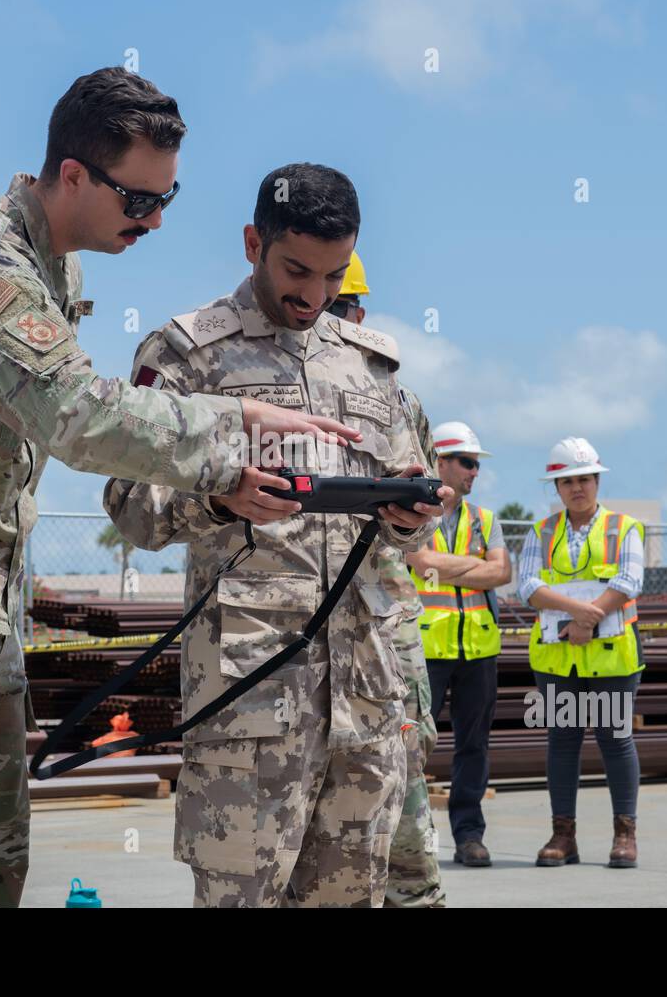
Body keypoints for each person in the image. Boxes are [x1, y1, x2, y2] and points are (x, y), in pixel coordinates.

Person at [0, 70, 358, 909]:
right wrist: (231, 428)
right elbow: (70, 410)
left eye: (166, 196)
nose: (155, 220)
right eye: (138, 200)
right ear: (73, 175)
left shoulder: (52, 269)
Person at [103, 164, 448, 907]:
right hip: (250, 699)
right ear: (253, 242)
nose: (314, 296)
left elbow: (406, 521)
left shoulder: (371, 364)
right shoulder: (187, 354)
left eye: (331, 276)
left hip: (364, 699)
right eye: (296, 269)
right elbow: (130, 502)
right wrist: (221, 498)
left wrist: (408, 515)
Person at [328, 256, 447, 907]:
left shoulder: (399, 404)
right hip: (299, 625)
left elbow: (420, 522)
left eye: (339, 309)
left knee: (402, 792)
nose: (329, 321)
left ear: (360, 317)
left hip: (385, 618)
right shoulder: (268, 396)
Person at [518, 438, 644, 869]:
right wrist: (578, 614)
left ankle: (625, 836)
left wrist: (587, 621)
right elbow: (528, 587)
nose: (577, 488)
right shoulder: (541, 532)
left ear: (597, 481)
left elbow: (629, 581)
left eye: (585, 479)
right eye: (568, 481)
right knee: (563, 742)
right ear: (557, 487)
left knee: (615, 740)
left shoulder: (623, 527)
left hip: (610, 657)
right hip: (558, 659)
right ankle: (562, 836)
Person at [406, 421, 511, 867]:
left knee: (474, 746)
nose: (474, 472)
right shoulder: (412, 513)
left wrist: (447, 567)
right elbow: (420, 559)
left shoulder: (486, 519)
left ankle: (469, 836)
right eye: (467, 462)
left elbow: (501, 573)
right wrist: (472, 565)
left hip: (478, 651)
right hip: (426, 649)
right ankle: (411, 838)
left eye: (475, 464)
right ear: (441, 463)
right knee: (413, 745)